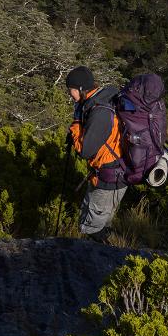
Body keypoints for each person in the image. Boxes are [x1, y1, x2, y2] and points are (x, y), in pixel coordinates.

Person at [65, 66, 125, 242]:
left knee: (92, 228)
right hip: (113, 172)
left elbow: (85, 151)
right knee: (101, 220)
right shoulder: (102, 98)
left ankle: (100, 257)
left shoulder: (100, 112)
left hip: (108, 176)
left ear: (81, 89)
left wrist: (76, 126)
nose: (70, 94)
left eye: (71, 90)